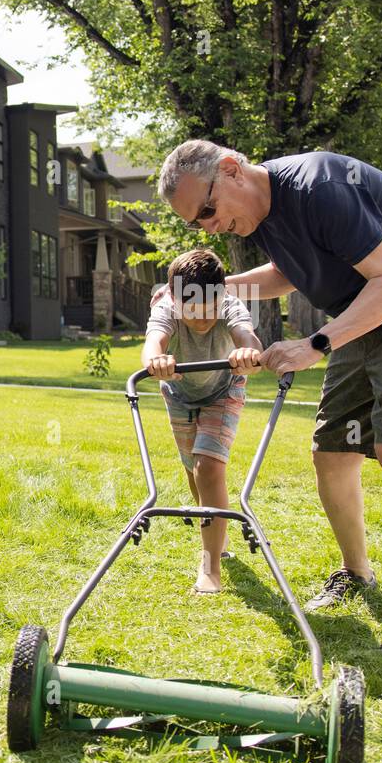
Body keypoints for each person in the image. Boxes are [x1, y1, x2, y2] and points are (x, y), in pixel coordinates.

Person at [156, 140, 382, 657]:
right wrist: (205, 291)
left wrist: (316, 344)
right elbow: (290, 274)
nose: (209, 228)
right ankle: (357, 573)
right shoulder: (264, 217)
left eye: (208, 210)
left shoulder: (320, 188)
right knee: (331, 451)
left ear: (233, 170)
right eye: (197, 224)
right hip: (364, 308)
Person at [142, 247, 263, 595]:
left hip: (224, 389)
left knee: (208, 468)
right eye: (192, 312)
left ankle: (211, 567)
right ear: (174, 300)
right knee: (193, 469)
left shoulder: (230, 305)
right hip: (180, 394)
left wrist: (247, 353)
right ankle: (215, 530)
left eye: (210, 311)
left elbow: (247, 339)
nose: (202, 320)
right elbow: (153, 344)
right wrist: (156, 361)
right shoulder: (165, 307)